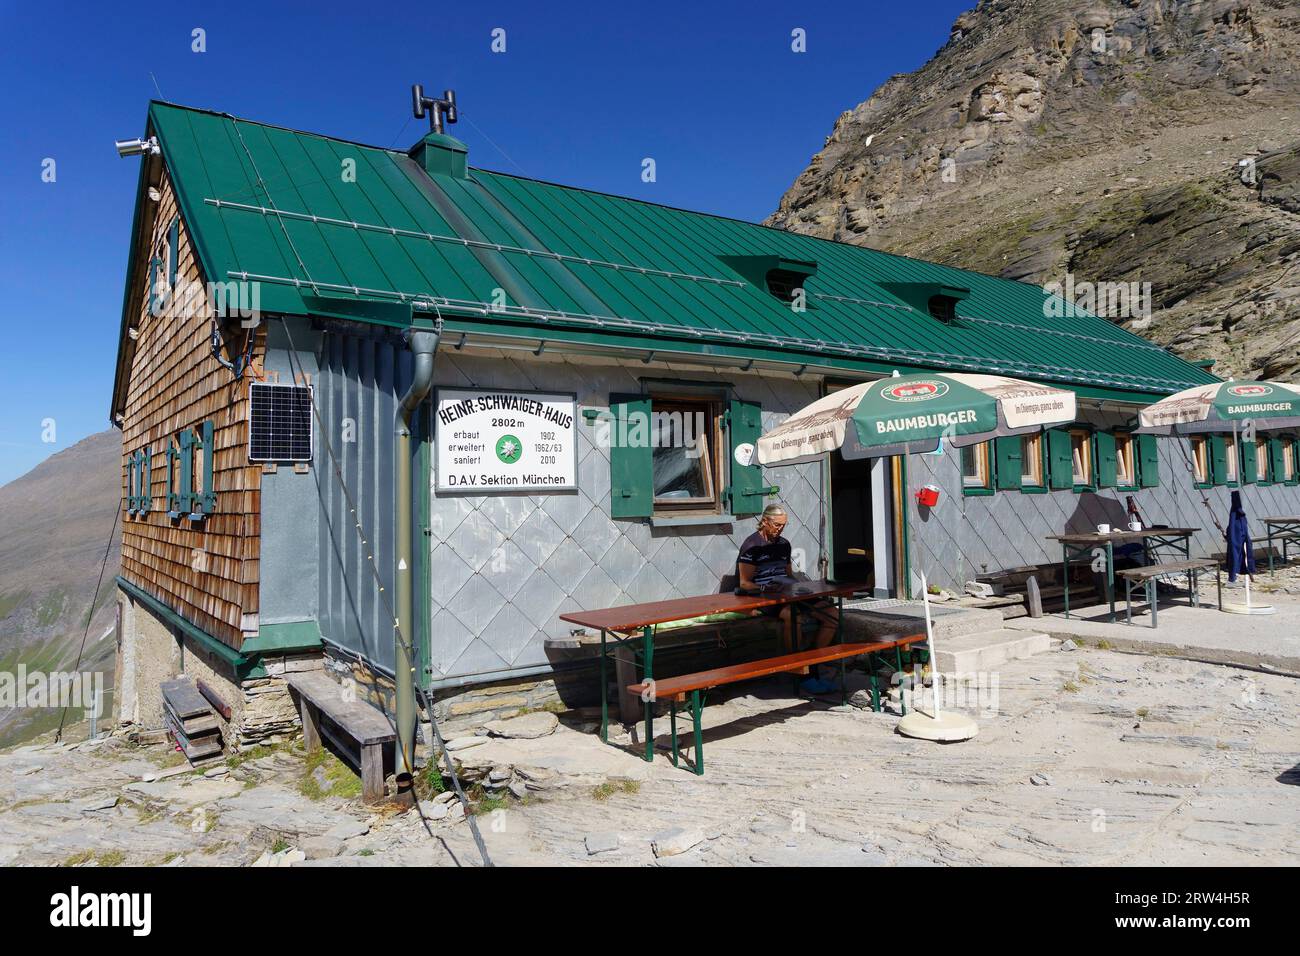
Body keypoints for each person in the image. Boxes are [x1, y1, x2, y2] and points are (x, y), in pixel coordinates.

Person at [735, 503, 842, 695]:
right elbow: (744, 583)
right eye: (777, 525)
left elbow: (788, 574)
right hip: (765, 596)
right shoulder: (752, 546)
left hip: (786, 591)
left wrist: (797, 587)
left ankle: (814, 662)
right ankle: (800, 672)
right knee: (793, 617)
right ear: (765, 522)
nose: (780, 529)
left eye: (783, 525)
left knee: (831, 614)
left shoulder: (784, 544)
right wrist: (765, 587)